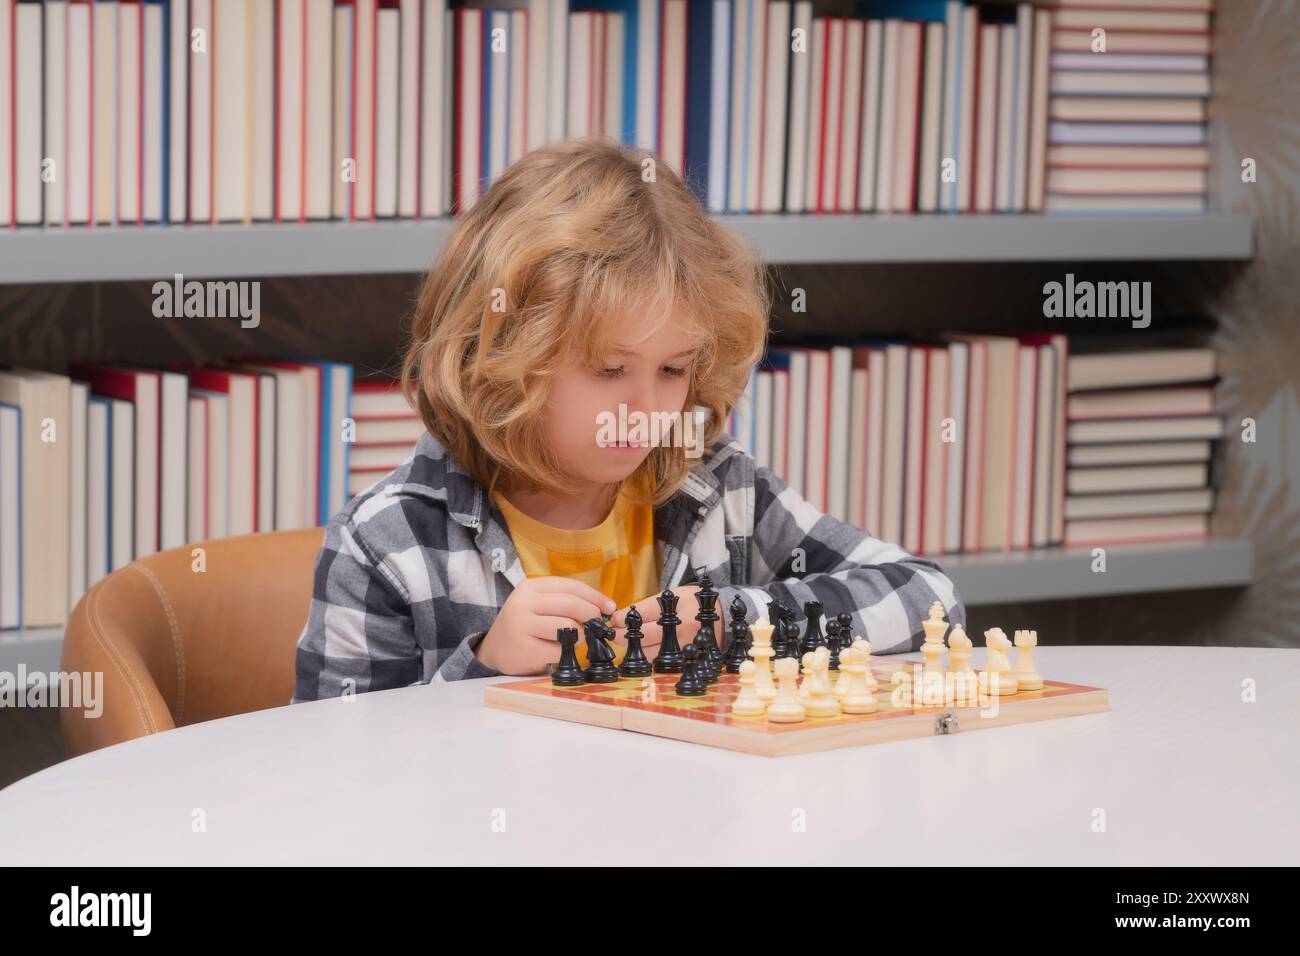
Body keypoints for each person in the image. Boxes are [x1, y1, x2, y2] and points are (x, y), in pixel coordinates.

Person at [291, 139, 964, 703]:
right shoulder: (386, 542)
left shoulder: (716, 485)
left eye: (673, 370)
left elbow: (930, 598)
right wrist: (485, 668)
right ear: (499, 355)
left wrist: (740, 621)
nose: (648, 411)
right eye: (610, 370)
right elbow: (339, 775)